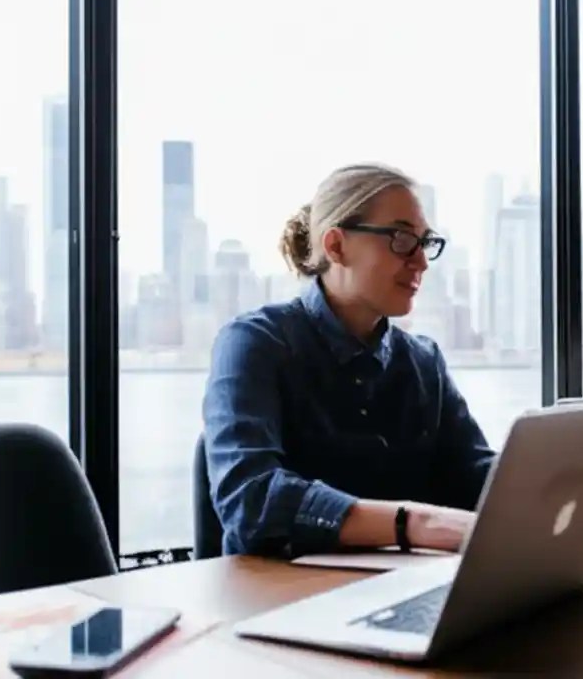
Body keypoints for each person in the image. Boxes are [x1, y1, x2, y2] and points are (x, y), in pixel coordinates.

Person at [202, 163, 494, 558]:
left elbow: (476, 479)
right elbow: (251, 503)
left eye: (424, 243)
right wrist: (417, 524)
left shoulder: (424, 363)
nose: (421, 262)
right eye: (403, 238)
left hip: (399, 591)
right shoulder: (255, 344)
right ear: (336, 245)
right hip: (275, 598)